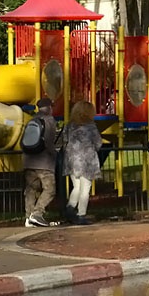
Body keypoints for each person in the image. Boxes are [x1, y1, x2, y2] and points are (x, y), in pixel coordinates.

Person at [62, 100, 102, 225]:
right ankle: (81, 214)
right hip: (87, 161)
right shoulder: (91, 127)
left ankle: (70, 207)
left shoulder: (69, 126)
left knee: (77, 186)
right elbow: (98, 143)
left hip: (72, 160)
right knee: (85, 188)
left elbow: (64, 140)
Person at [22, 97, 59, 228]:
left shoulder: (31, 120)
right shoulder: (49, 120)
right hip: (44, 163)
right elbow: (48, 142)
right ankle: (37, 213)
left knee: (31, 189)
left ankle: (28, 217)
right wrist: (54, 154)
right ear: (49, 108)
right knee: (49, 189)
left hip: (29, 160)